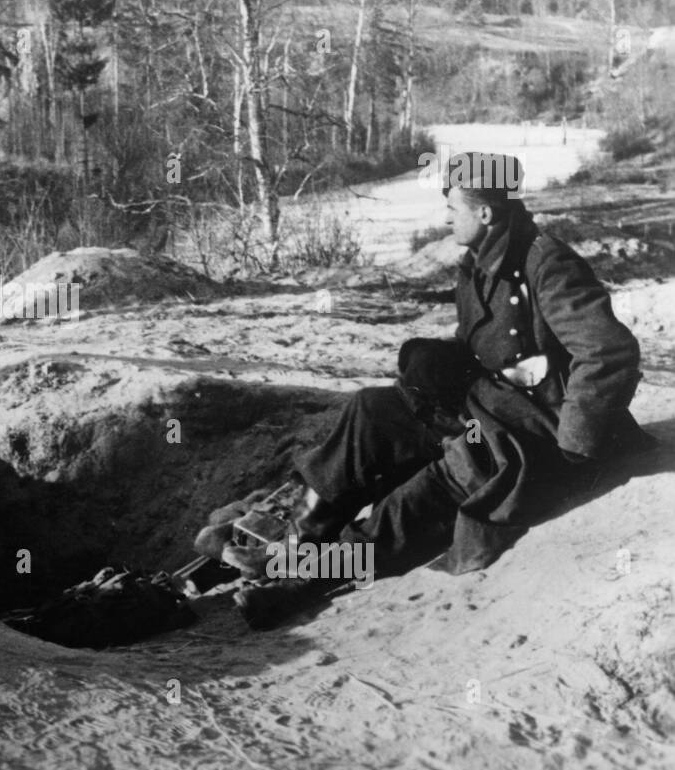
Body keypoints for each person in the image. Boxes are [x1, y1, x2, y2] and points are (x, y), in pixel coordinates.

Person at [236, 152, 649, 627]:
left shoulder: (546, 263)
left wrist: (575, 442)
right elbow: (483, 343)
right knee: (373, 411)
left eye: (453, 206)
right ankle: (299, 541)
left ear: (485, 213)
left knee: (436, 483)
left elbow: (609, 352)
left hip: (537, 430)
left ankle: (308, 577)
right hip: (488, 408)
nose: (447, 216)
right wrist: (435, 365)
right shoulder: (479, 263)